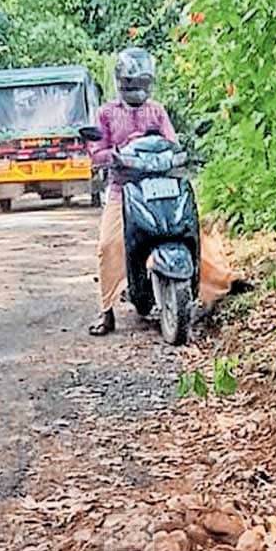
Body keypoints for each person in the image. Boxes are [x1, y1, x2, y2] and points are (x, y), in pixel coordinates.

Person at [88, 47, 177, 336]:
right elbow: (96, 151)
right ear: (121, 83)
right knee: (108, 244)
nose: (137, 90)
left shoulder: (157, 111)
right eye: (131, 84)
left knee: (188, 227)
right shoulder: (106, 114)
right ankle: (107, 310)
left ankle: (207, 289)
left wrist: (176, 155)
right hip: (122, 189)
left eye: (142, 84)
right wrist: (113, 156)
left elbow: (172, 143)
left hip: (159, 186)